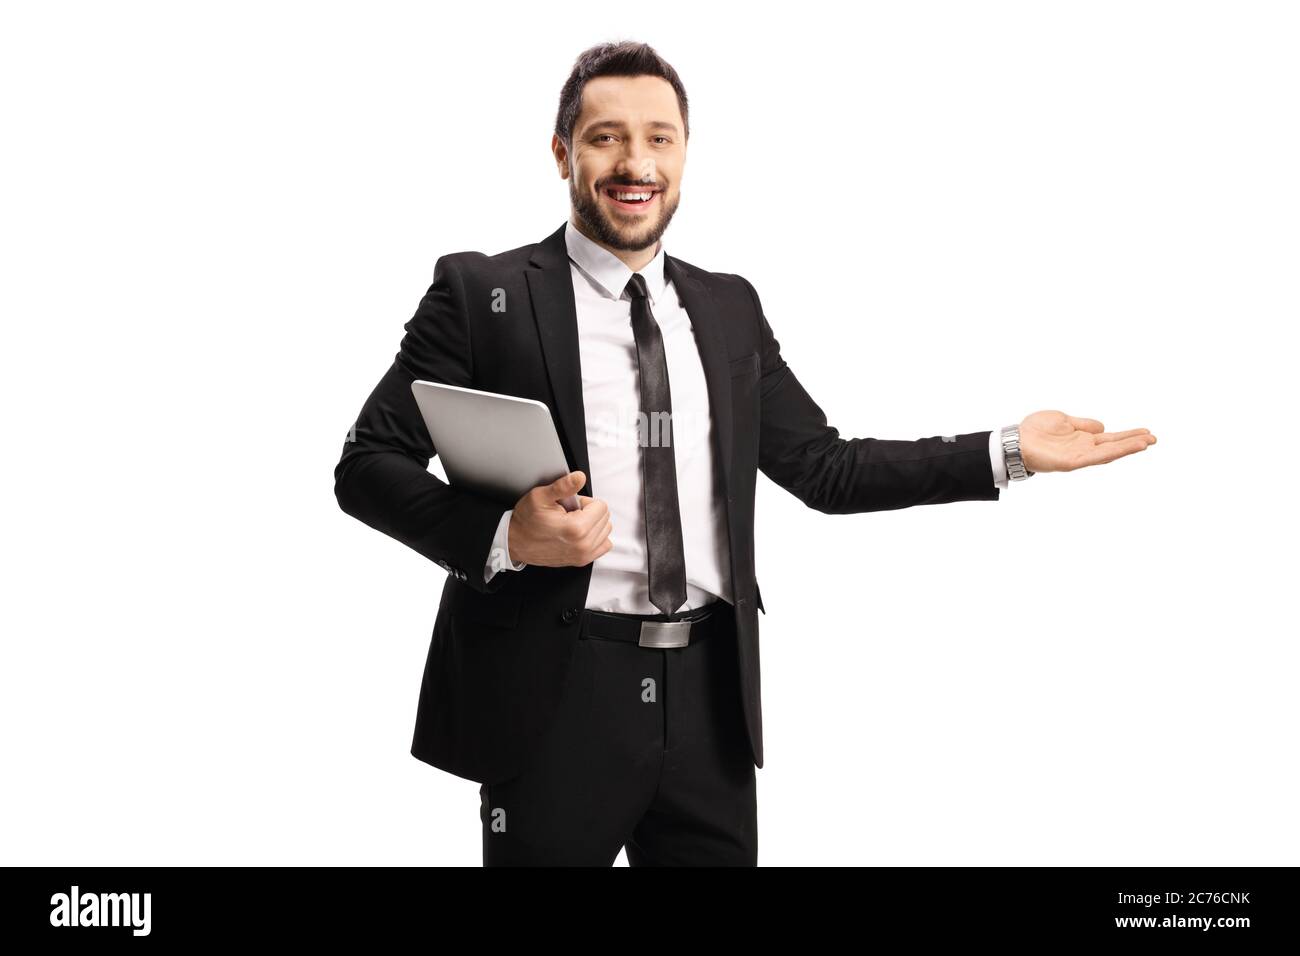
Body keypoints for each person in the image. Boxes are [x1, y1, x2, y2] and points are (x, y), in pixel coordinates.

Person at [333, 40, 1157, 866]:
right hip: (556, 690)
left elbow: (825, 468)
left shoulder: (728, 308)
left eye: (660, 137)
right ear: (562, 153)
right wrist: (509, 536)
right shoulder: (482, 296)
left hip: (710, 698)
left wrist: (1005, 450)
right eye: (606, 136)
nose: (636, 161)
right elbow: (367, 464)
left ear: (685, 154)